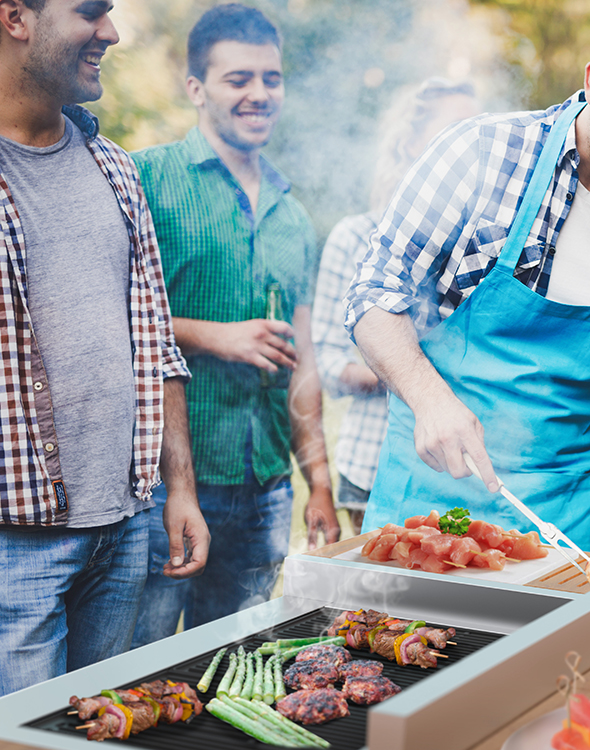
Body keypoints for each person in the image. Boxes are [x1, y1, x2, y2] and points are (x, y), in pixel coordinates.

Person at [345, 0, 590, 551]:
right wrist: (429, 400)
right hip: (421, 511)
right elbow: (375, 294)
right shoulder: (480, 155)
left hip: (555, 527)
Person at [0, 0, 207, 695]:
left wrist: (180, 487)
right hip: (13, 544)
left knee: (101, 731)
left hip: (127, 524)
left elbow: (154, 341)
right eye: (91, 12)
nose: (111, 33)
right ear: (15, 17)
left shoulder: (115, 168)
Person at [131, 3, 340, 647]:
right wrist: (214, 335)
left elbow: (302, 359)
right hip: (163, 489)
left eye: (271, 79)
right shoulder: (146, 180)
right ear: (196, 88)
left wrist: (321, 484)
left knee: (235, 673)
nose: (259, 94)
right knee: (145, 672)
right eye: (238, 78)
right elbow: (108, 313)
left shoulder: (293, 216)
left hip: (265, 492)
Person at [312, 78, 480, 535]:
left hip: (456, 470)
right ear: (409, 144)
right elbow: (327, 363)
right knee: (383, 605)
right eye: (453, 132)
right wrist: (407, 367)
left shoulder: (483, 247)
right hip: (371, 465)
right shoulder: (353, 237)